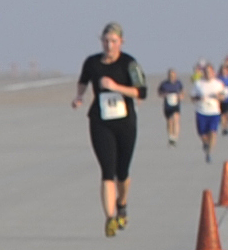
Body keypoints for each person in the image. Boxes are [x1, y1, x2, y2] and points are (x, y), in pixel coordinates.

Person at [72, 23, 146, 236]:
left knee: (122, 172)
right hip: (100, 121)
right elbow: (83, 81)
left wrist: (116, 87)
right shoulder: (92, 62)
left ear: (121, 42)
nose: (109, 45)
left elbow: (141, 92)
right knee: (107, 171)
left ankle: (122, 203)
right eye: (105, 41)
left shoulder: (129, 63)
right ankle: (110, 218)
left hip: (125, 122)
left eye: (113, 41)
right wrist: (79, 97)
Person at [190, 64, 228, 161]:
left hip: (214, 112)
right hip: (201, 111)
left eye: (209, 72)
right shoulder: (199, 84)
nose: (208, 74)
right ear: (203, 73)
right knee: (202, 133)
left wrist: (219, 97)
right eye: (206, 72)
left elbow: (224, 96)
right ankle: (206, 144)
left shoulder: (218, 84)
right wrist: (199, 98)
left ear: (213, 73)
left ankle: (209, 153)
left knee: (213, 132)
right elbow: (192, 97)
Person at [157, 68, 184, 146]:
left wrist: (181, 96)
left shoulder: (178, 83)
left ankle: (175, 137)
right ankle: (170, 136)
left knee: (176, 119)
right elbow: (159, 92)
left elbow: (182, 91)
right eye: (170, 75)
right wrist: (164, 95)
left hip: (176, 104)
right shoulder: (164, 84)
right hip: (167, 104)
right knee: (169, 121)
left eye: (173, 75)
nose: (172, 77)